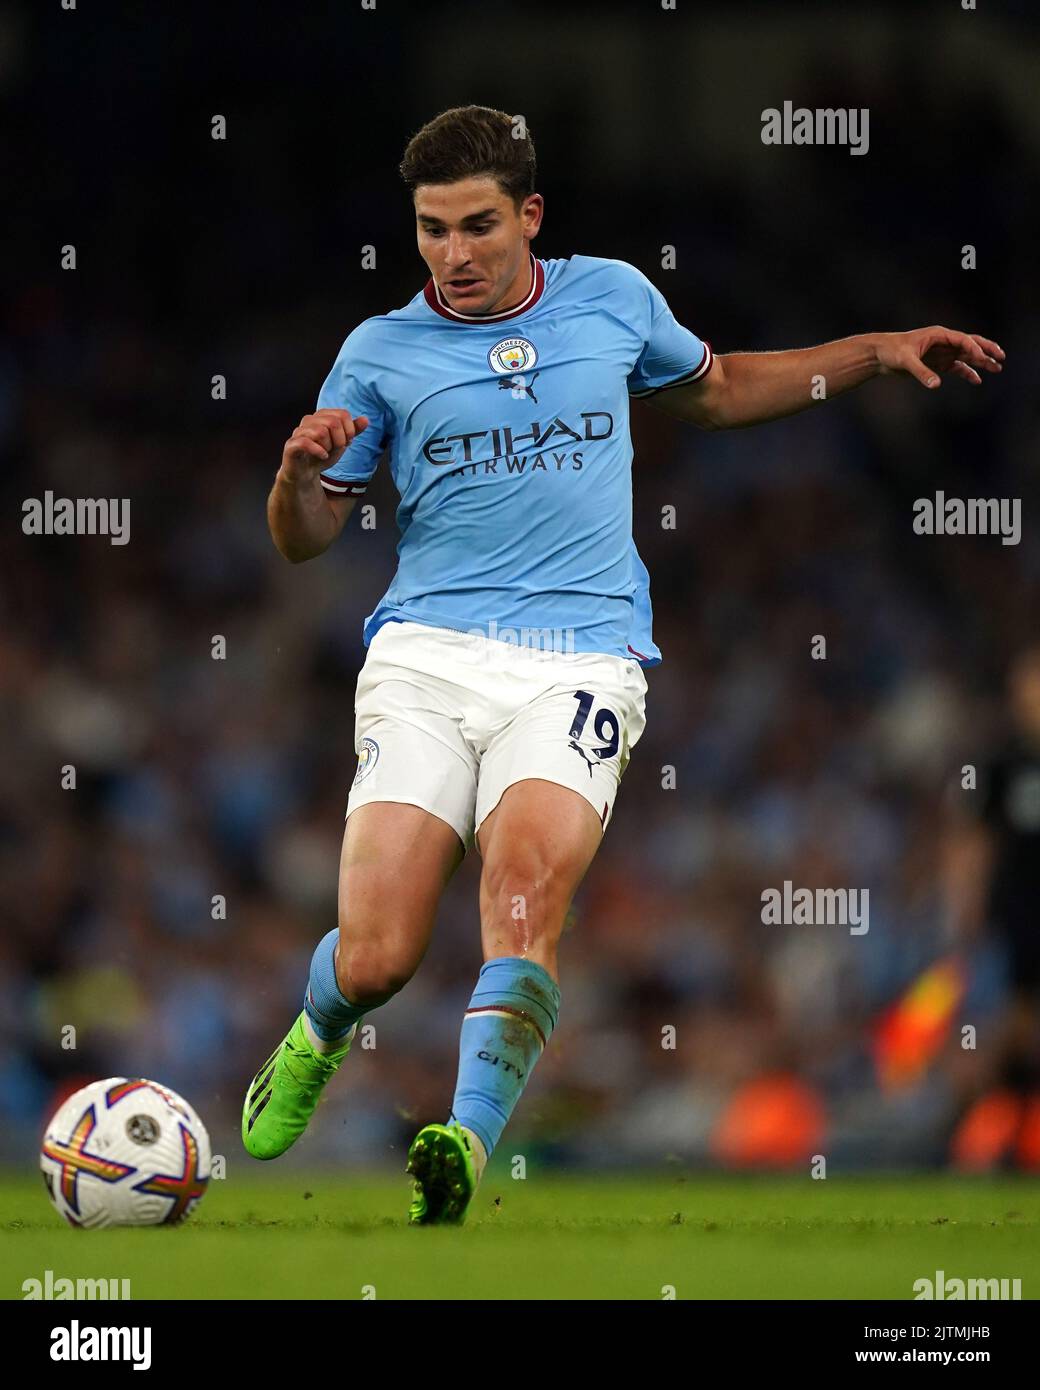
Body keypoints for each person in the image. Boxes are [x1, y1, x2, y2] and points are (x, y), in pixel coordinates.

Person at [242, 104, 1004, 1223]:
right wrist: (295, 475)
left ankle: (459, 1144)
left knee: (524, 890)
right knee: (378, 954)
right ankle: (317, 1030)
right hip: (426, 656)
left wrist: (873, 355)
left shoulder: (611, 298)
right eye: (430, 229)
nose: (453, 253)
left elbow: (722, 386)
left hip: (580, 661)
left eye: (477, 225)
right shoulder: (379, 354)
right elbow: (304, 536)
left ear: (529, 217)